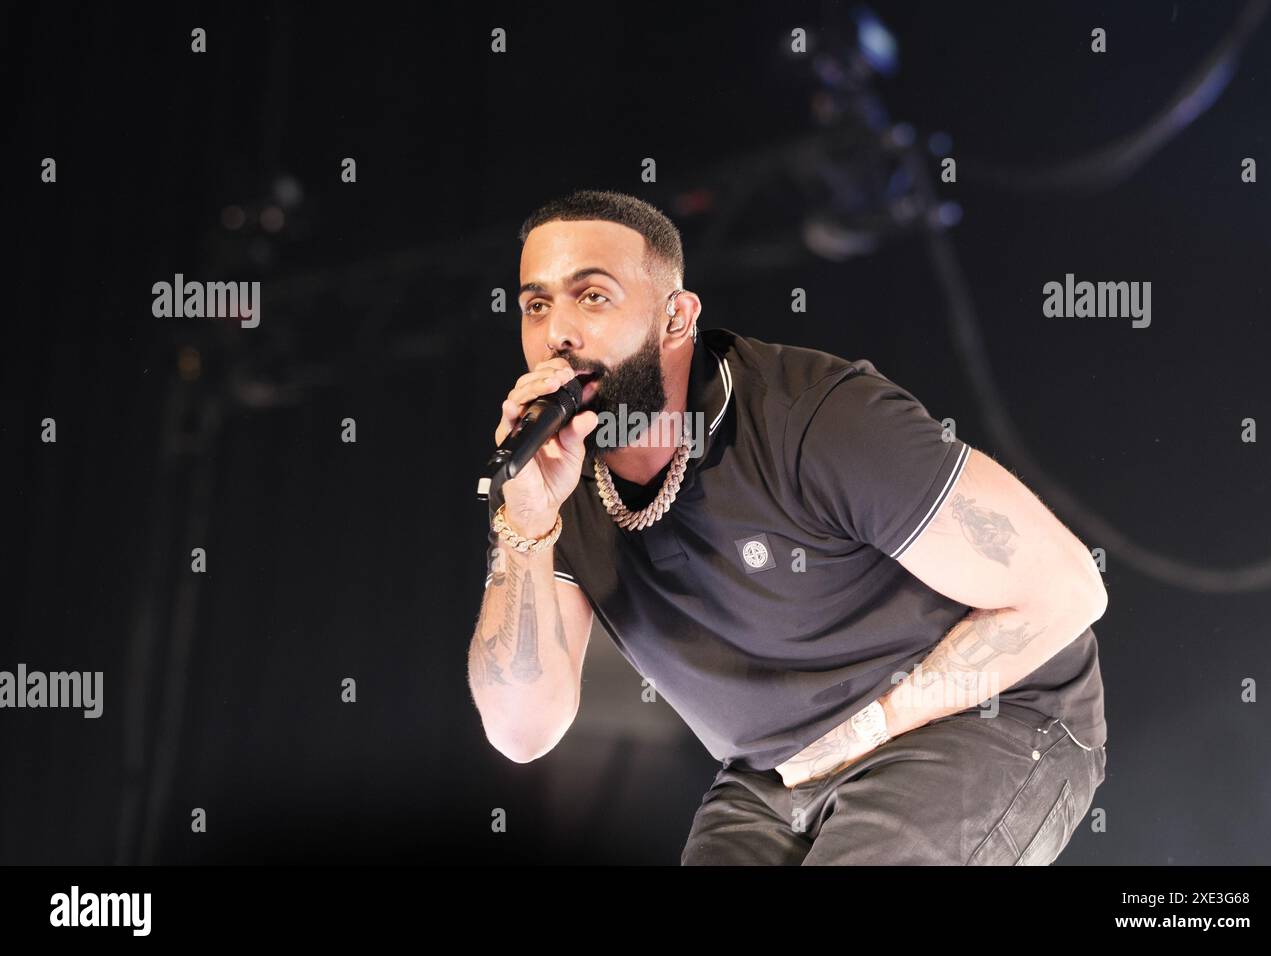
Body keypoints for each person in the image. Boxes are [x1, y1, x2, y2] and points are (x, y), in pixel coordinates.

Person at [466, 189, 1108, 865]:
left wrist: (867, 729)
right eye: (536, 305)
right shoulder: (542, 486)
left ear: (676, 318)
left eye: (592, 296)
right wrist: (527, 527)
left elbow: (1067, 590)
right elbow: (522, 733)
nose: (556, 333)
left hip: (985, 717)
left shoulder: (814, 418)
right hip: (773, 772)